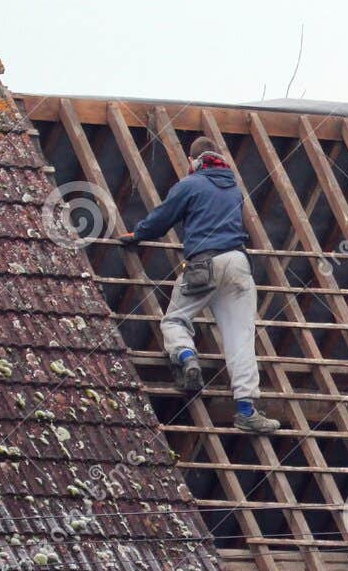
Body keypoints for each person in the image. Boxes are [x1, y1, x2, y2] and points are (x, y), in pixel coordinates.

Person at [117, 136, 280, 435]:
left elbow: (161, 219)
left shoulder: (189, 185)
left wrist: (136, 235)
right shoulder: (234, 188)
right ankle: (247, 410)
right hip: (239, 265)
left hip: (204, 265)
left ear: (193, 162)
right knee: (240, 337)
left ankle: (187, 358)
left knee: (175, 320)